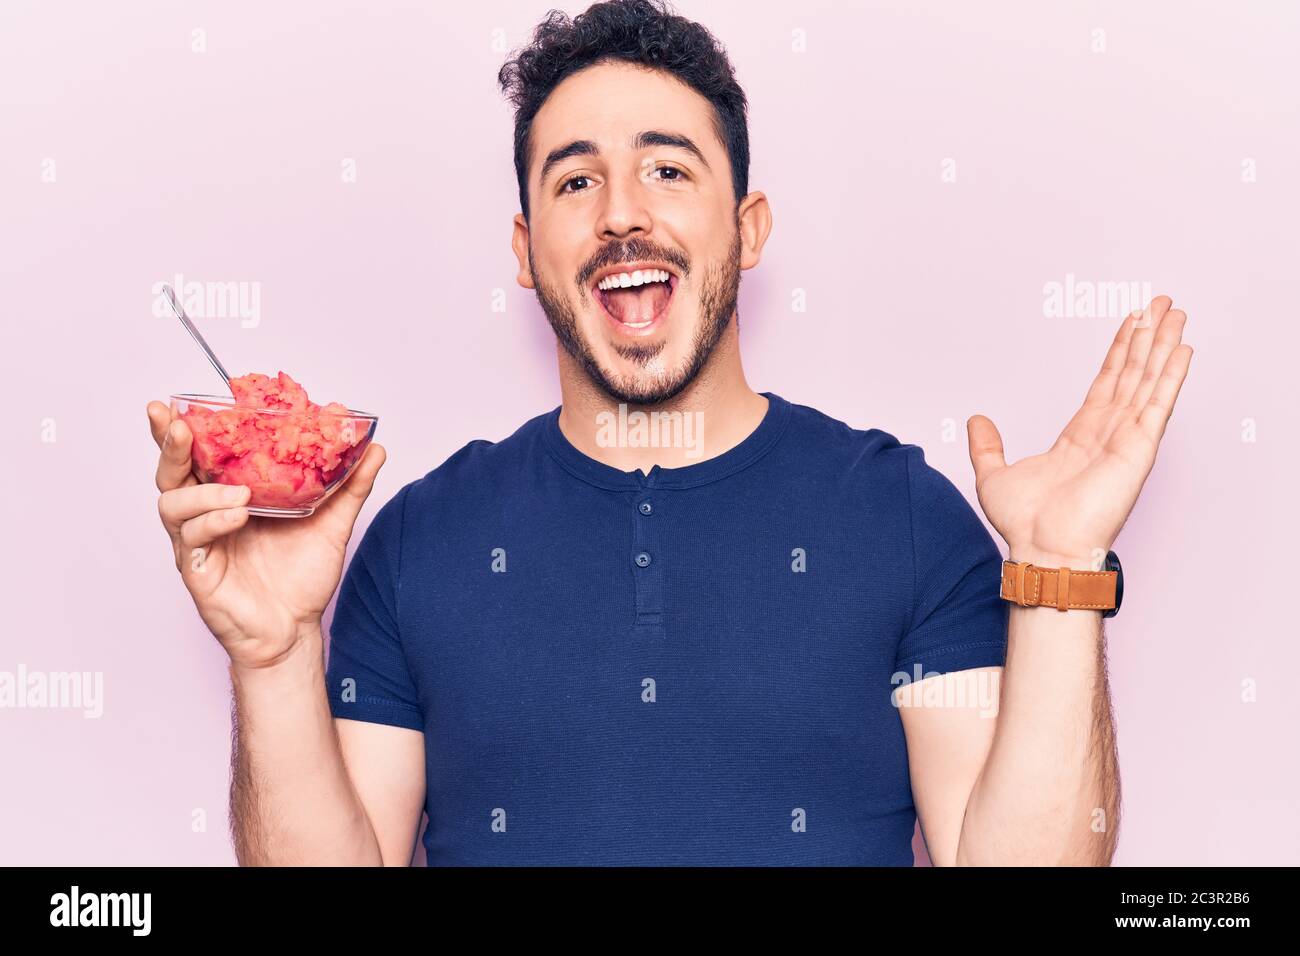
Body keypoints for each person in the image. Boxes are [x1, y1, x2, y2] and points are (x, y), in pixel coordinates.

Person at [146, 0, 1192, 866]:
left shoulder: (901, 514)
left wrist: (1057, 573)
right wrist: (275, 656)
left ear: (746, 228)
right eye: (574, 180)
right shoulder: (419, 542)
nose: (619, 216)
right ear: (527, 248)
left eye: (668, 169)